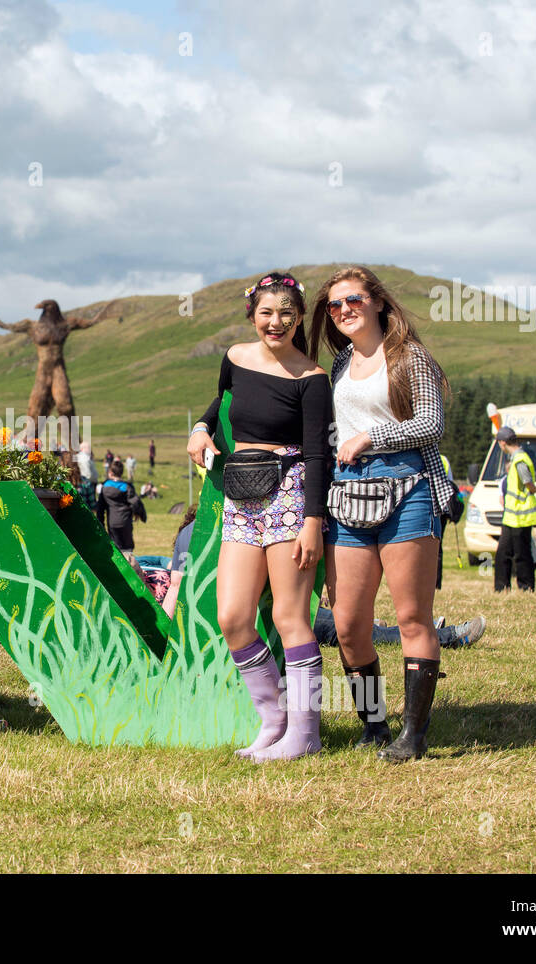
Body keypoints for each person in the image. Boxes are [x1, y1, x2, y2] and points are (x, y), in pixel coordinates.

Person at [308, 265, 458, 763]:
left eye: (352, 300)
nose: (343, 310)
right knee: (349, 623)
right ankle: (374, 726)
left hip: (408, 484)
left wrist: (374, 436)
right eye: (334, 305)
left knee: (412, 615)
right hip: (347, 493)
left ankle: (413, 736)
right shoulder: (340, 363)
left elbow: (432, 424)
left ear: (376, 302)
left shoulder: (410, 357)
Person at [189, 271, 331, 763]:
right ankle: (273, 721)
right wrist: (202, 427)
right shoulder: (234, 358)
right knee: (232, 616)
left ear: (298, 319)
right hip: (240, 495)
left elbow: (318, 455)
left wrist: (314, 521)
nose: (276, 323)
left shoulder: (312, 380)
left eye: (286, 314)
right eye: (266, 313)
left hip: (291, 494)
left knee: (289, 616)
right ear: (252, 314)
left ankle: (306, 732)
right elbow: (224, 402)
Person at [160, 515, 486, 648]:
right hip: (277, 613)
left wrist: (168, 634)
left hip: (269, 612)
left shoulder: (188, 535)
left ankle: (433, 629)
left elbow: (175, 587)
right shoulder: (203, 531)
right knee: (356, 629)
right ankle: (446, 635)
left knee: (354, 625)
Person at [492, 426, 536, 592]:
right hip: (512, 516)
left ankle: (526, 587)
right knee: (503, 553)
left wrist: (533, 490)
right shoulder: (518, 458)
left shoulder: (519, 460)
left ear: (503, 443)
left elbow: (528, 482)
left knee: (522, 554)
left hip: (521, 515)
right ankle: (501, 587)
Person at [95, 459, 146, 559]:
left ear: (110, 472)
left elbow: (100, 508)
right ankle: (129, 568)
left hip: (112, 522)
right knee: (127, 548)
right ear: (122, 472)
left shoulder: (105, 487)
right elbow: (135, 502)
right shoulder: (126, 487)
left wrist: (101, 523)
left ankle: (119, 569)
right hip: (125, 521)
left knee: (116, 548)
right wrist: (141, 515)